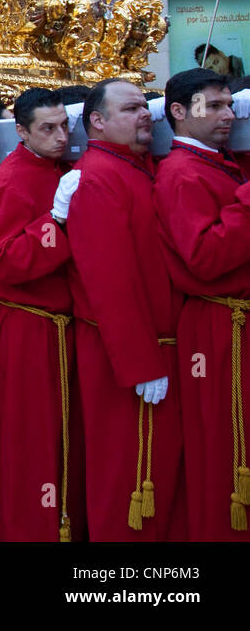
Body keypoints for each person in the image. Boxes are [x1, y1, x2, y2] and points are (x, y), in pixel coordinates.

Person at [66, 78, 182, 541]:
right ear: (97, 121)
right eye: (132, 108)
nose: (145, 116)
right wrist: (139, 363)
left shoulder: (132, 166)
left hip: (150, 345)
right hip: (124, 354)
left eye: (145, 107)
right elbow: (108, 279)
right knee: (128, 470)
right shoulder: (97, 177)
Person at [0, 88, 85, 541]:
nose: (60, 136)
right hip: (29, 326)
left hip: (62, 323)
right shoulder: (10, 180)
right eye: (48, 128)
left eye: (64, 126)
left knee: (65, 437)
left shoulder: (59, 168)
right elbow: (3, 261)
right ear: (21, 132)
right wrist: (55, 223)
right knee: (34, 440)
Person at [154, 68, 250, 540]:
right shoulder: (179, 172)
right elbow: (205, 257)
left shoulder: (216, 160)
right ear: (178, 112)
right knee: (228, 443)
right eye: (213, 106)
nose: (227, 115)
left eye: (229, 104)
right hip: (218, 329)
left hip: (234, 323)